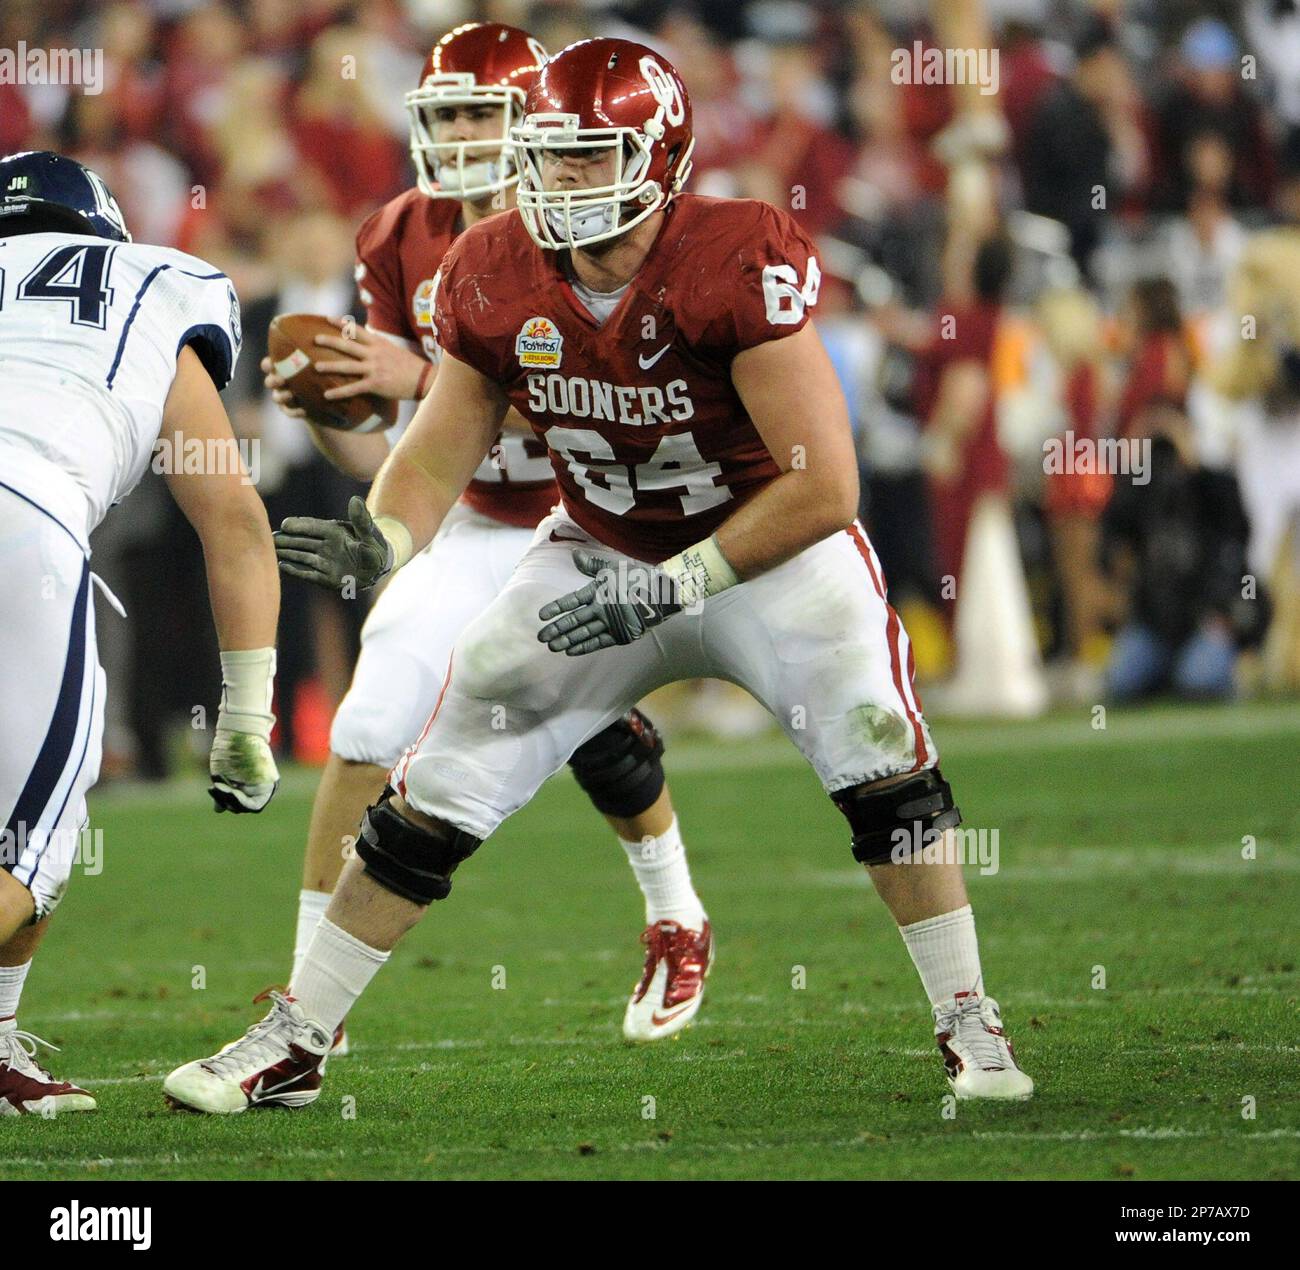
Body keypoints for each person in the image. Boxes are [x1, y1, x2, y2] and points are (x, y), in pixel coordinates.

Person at [165, 38, 1033, 1115]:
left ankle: (966, 1017)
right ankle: (299, 1038)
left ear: (659, 159)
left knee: (879, 751)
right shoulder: (490, 265)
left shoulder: (733, 255)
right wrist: (385, 538)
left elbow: (824, 485)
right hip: (601, 545)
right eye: (548, 156)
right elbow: (437, 449)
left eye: (588, 158)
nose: (558, 180)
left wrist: (681, 584)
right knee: (436, 774)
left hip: (769, 550)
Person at [214, 23, 710, 1064]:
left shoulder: (585, 226)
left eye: (483, 112)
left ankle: (677, 915)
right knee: (369, 720)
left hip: (591, 515)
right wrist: (326, 407)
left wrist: (425, 382)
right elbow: (392, 459)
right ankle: (315, 995)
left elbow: (614, 406)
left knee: (583, 723)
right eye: (445, 115)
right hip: (477, 520)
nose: (463, 133)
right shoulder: (399, 233)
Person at [0, 151, 279, 1114]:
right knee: (31, 848)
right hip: (19, 515)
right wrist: (247, 714)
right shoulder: (157, 281)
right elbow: (233, 522)